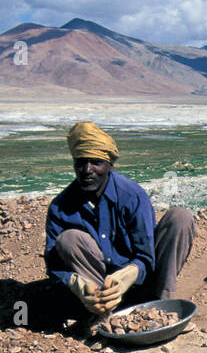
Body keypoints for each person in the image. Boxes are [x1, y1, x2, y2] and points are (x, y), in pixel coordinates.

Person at [44, 121, 196, 322]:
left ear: (110, 166)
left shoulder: (131, 196)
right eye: (80, 162)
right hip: (100, 296)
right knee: (69, 239)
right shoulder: (60, 207)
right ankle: (102, 314)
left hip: (145, 285)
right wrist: (77, 284)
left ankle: (161, 308)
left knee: (180, 217)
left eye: (96, 162)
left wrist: (129, 274)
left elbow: (146, 256)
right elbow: (54, 268)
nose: (87, 170)